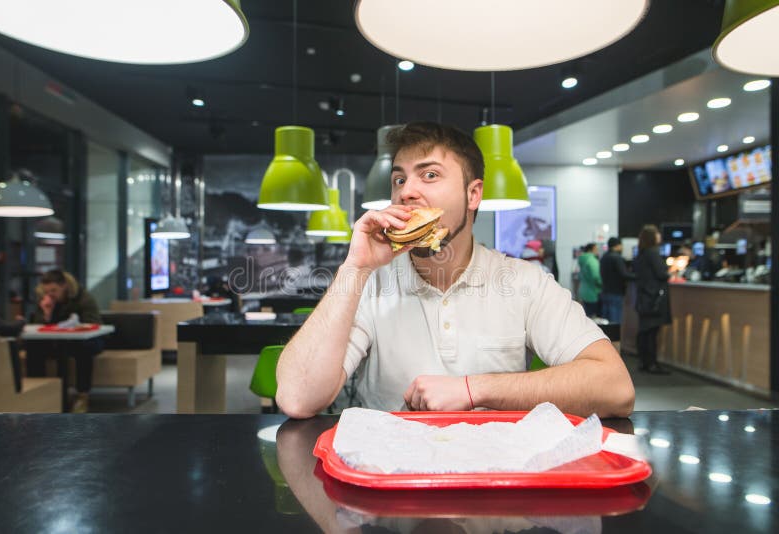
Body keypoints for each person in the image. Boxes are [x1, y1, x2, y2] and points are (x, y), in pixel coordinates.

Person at [276, 122, 634, 419]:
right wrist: (355, 267)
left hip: (495, 469)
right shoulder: (371, 283)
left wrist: (473, 388)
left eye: (429, 175)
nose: (407, 192)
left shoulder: (524, 282)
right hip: (388, 471)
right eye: (399, 180)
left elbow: (615, 388)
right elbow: (296, 398)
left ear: (473, 194)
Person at [28, 269, 102, 412]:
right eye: (47, 291)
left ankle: (82, 395)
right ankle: (39, 392)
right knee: (34, 346)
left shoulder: (83, 298)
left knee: (83, 349)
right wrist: (47, 314)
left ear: (64, 286)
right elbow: (37, 325)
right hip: (58, 341)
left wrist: (73, 326)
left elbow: (92, 324)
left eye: (54, 290)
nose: (50, 294)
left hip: (85, 340)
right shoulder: (45, 300)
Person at [633, 225, 671, 375]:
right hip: (654, 299)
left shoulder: (640, 255)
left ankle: (644, 361)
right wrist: (672, 269)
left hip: (644, 298)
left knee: (644, 331)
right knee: (652, 333)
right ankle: (652, 363)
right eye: (657, 234)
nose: (659, 236)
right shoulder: (653, 254)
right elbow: (662, 274)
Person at [599, 237, 636, 323]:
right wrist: (639, 276)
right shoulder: (617, 258)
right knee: (615, 321)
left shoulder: (604, 257)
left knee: (605, 321)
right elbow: (624, 274)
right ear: (617, 246)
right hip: (616, 292)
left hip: (605, 291)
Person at [577, 243, 602, 317]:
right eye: (596, 249)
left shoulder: (582, 259)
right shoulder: (592, 260)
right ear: (591, 250)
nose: (597, 251)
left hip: (583, 291)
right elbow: (596, 277)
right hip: (593, 293)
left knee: (586, 315)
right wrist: (603, 285)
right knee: (593, 317)